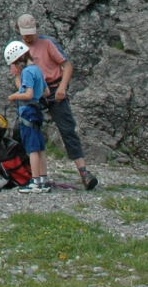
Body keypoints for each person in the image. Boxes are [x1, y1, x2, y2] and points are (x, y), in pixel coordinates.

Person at [16, 12, 99, 190]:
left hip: (54, 89)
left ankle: (83, 172)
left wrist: (62, 88)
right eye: (25, 33)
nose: (29, 36)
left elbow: (67, 65)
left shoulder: (47, 43)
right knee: (31, 130)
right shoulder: (18, 48)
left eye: (31, 32)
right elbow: (16, 74)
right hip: (34, 92)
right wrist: (23, 90)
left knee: (67, 129)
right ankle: (34, 175)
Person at [6, 40, 51, 192]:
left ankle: (35, 182)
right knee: (40, 148)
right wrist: (18, 78)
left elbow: (28, 94)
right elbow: (46, 92)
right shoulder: (37, 70)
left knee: (32, 148)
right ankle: (44, 180)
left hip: (28, 113)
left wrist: (14, 97)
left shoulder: (27, 72)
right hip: (37, 112)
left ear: (18, 59)